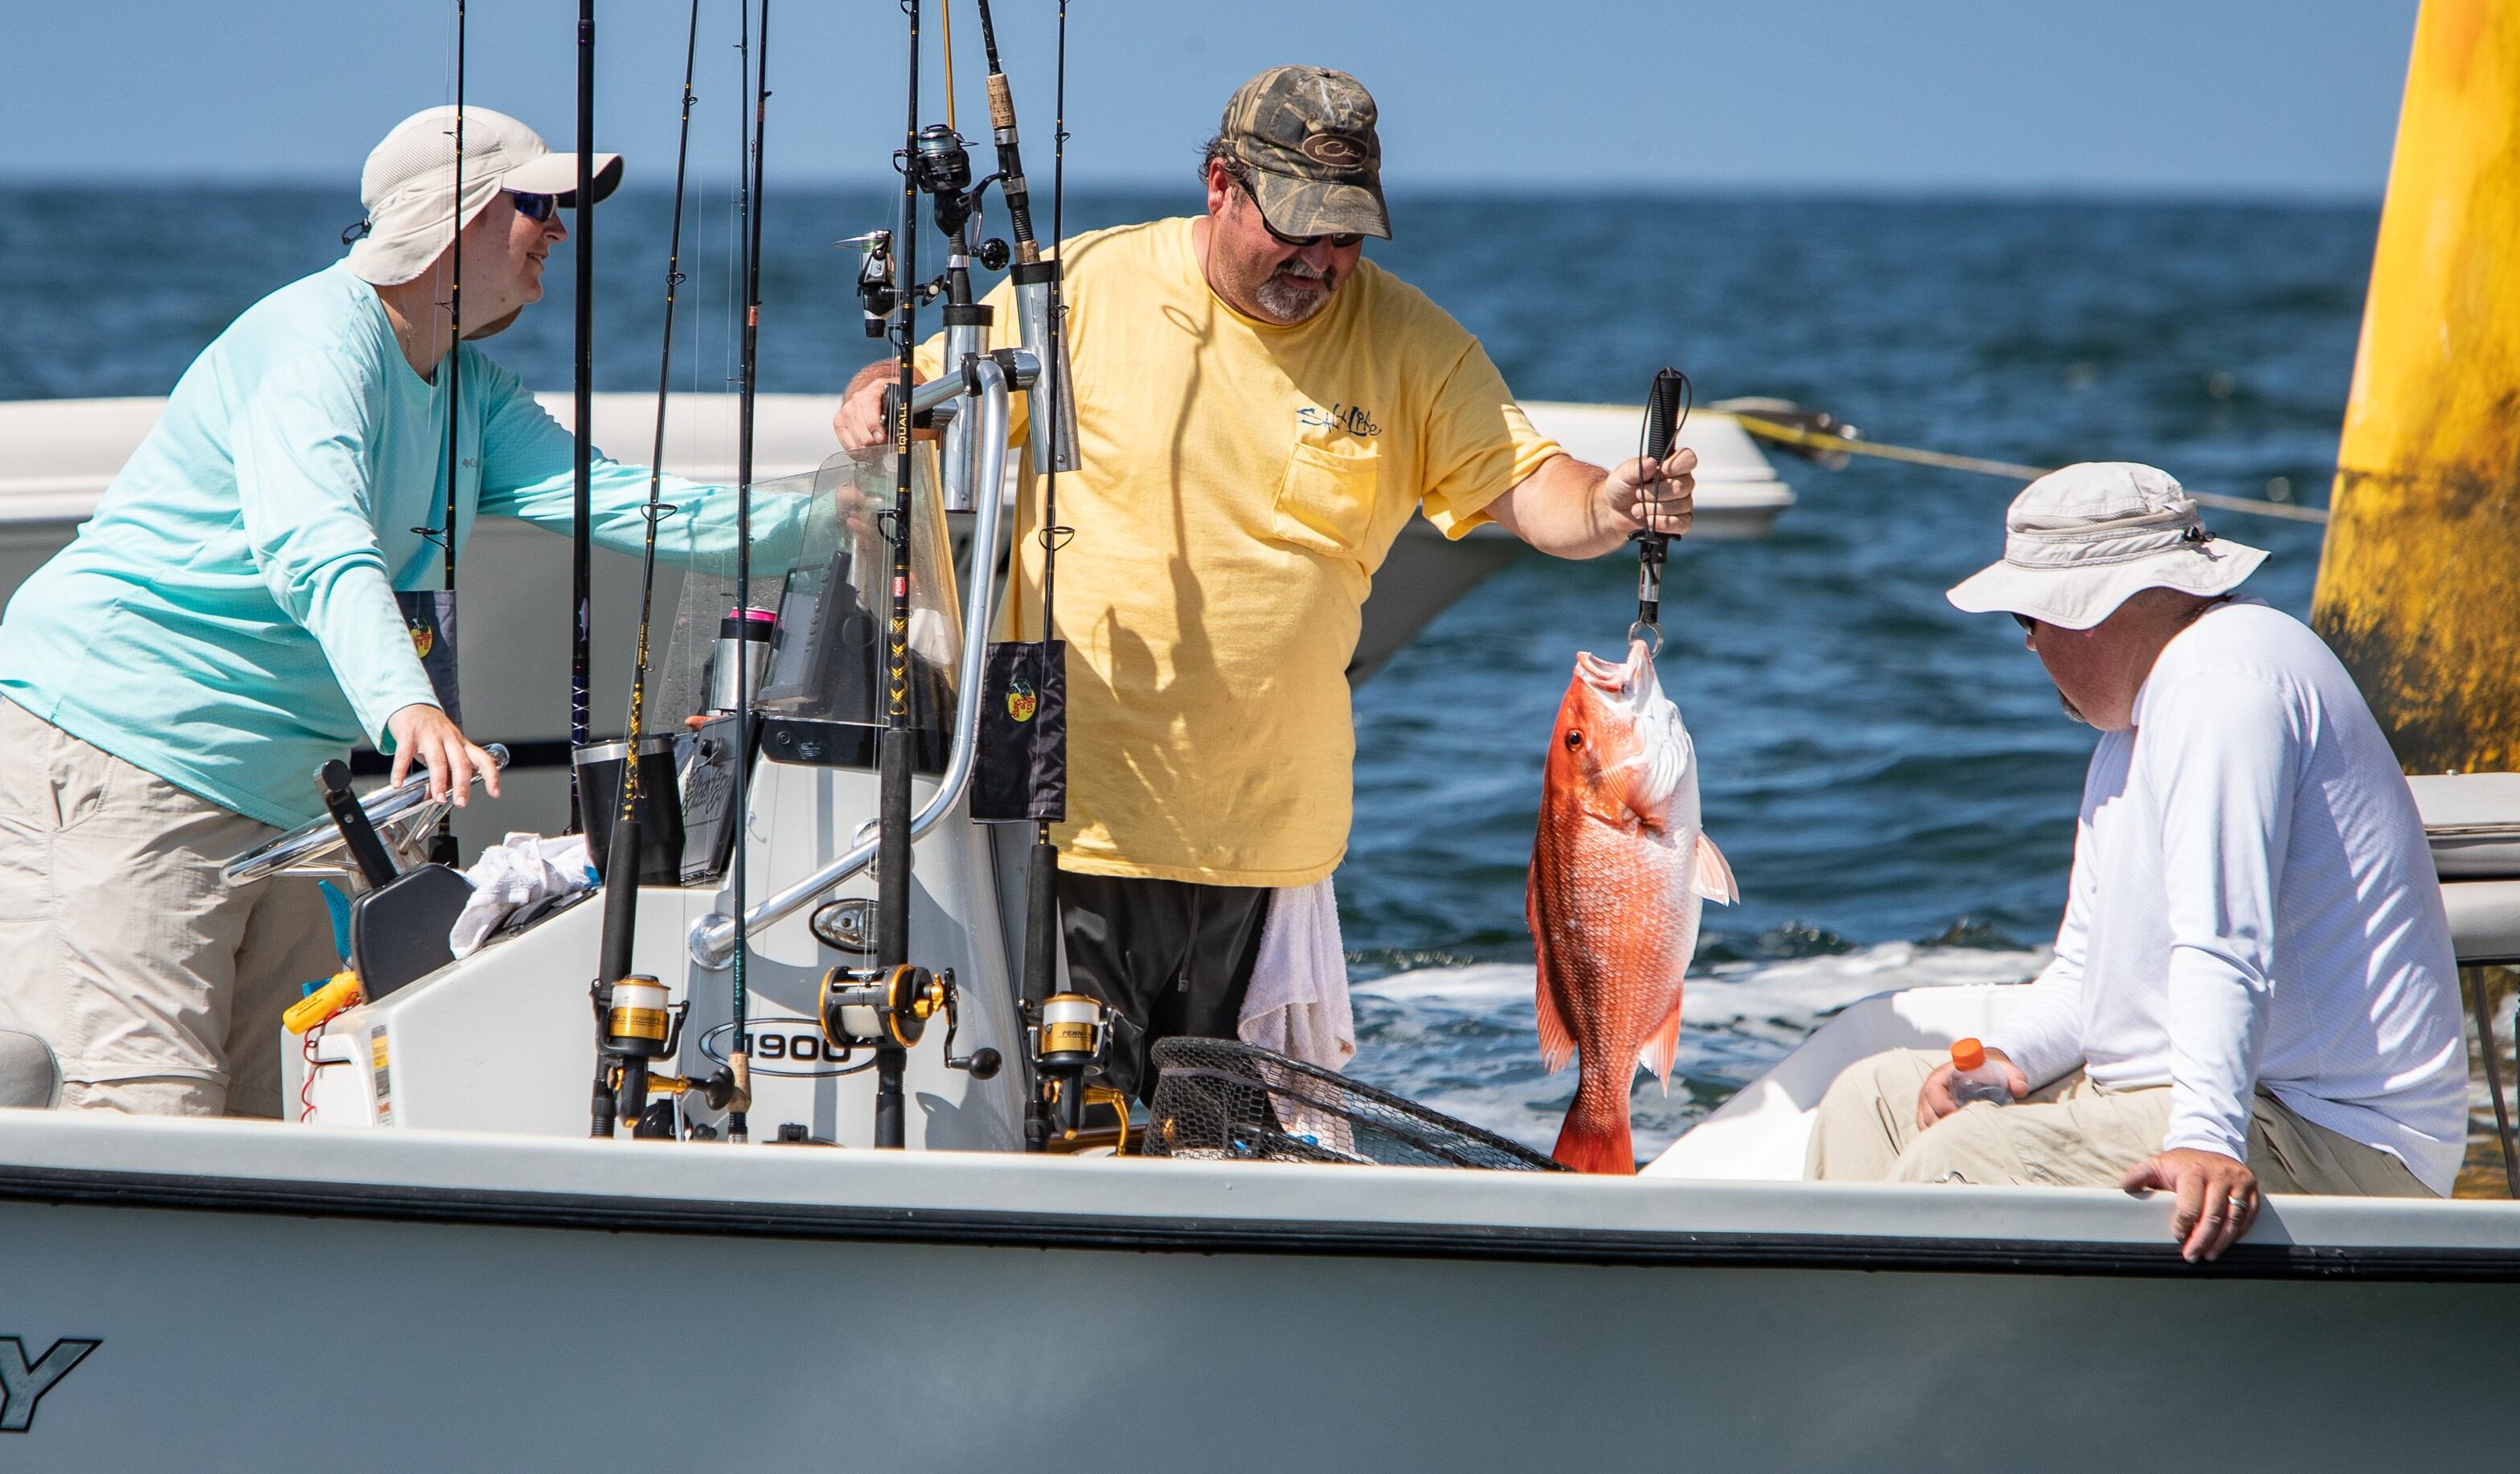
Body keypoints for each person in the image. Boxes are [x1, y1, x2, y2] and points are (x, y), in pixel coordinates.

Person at [833, 66, 1698, 1103]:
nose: (1320, 261)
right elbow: (913, 386)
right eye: (1295, 226)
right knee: (1062, 1120)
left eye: (1344, 236)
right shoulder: (1081, 288)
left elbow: (1529, 485)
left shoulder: (1410, 341)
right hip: (1064, 808)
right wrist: (876, 395)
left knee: (1221, 1146)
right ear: (1219, 185)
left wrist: (1610, 504)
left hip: (1268, 837)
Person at [0, 106, 740, 1118]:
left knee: (285, 1125)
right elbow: (316, 543)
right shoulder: (314, 347)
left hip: (284, 798)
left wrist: (850, 496)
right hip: (112, 754)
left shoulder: (469, 391)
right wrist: (406, 708)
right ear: (450, 218)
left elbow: (645, 504)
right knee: (143, 1122)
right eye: (538, 204)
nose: (559, 228)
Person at [1807, 462, 2469, 1259]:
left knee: (1962, 1161)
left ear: (2088, 610)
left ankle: (1908, 1375)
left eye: (2027, 617)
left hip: (2330, 1135)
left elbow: (2226, 941)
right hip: (2208, 1098)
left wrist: (2203, 1137)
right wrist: (2012, 1059)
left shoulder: (2222, 682)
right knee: (1864, 1100)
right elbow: (2088, 959)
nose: (2027, 644)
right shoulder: (2139, 720)